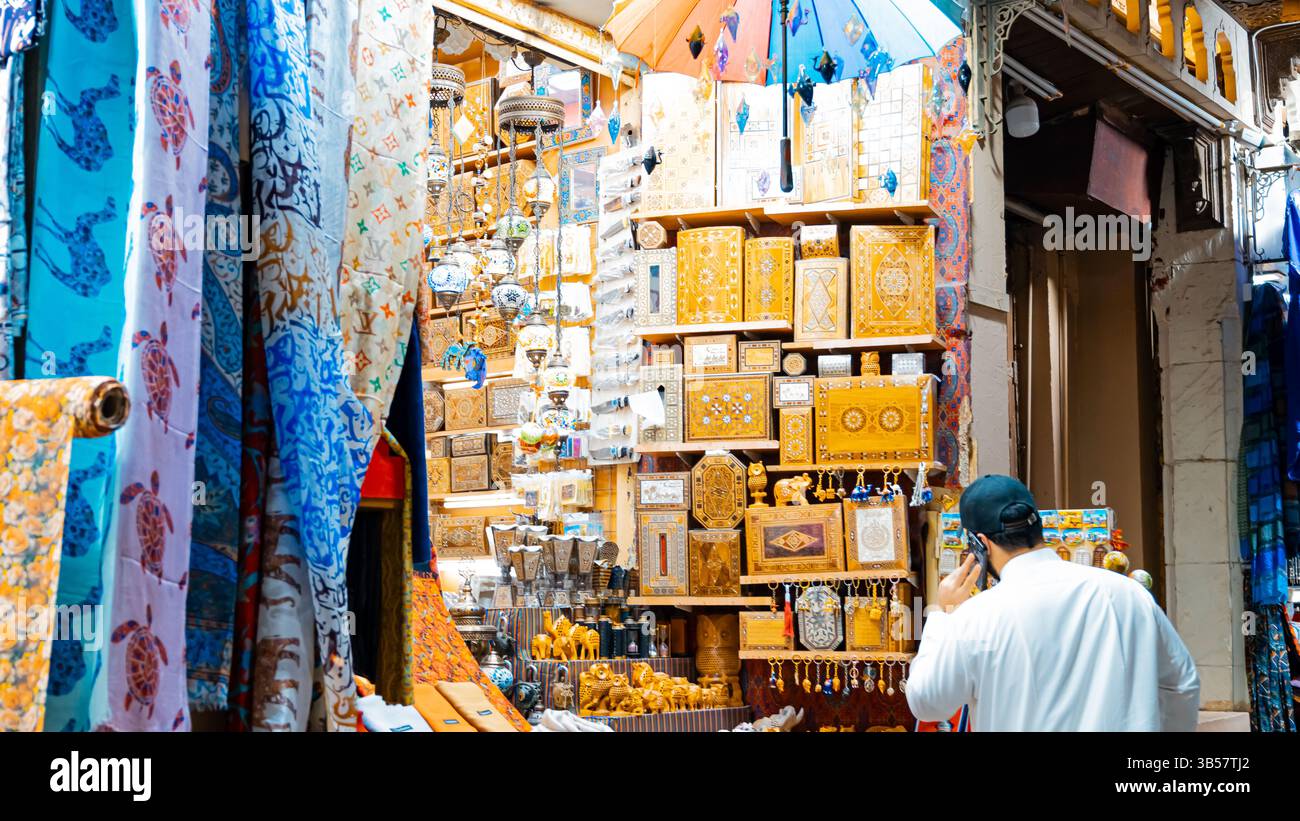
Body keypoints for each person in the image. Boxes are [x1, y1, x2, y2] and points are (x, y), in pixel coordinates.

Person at [906, 475, 1200, 731]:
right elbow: (1182, 684)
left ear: (980, 543)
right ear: (1038, 526)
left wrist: (941, 612)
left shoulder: (974, 617)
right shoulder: (1129, 595)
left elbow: (928, 703)